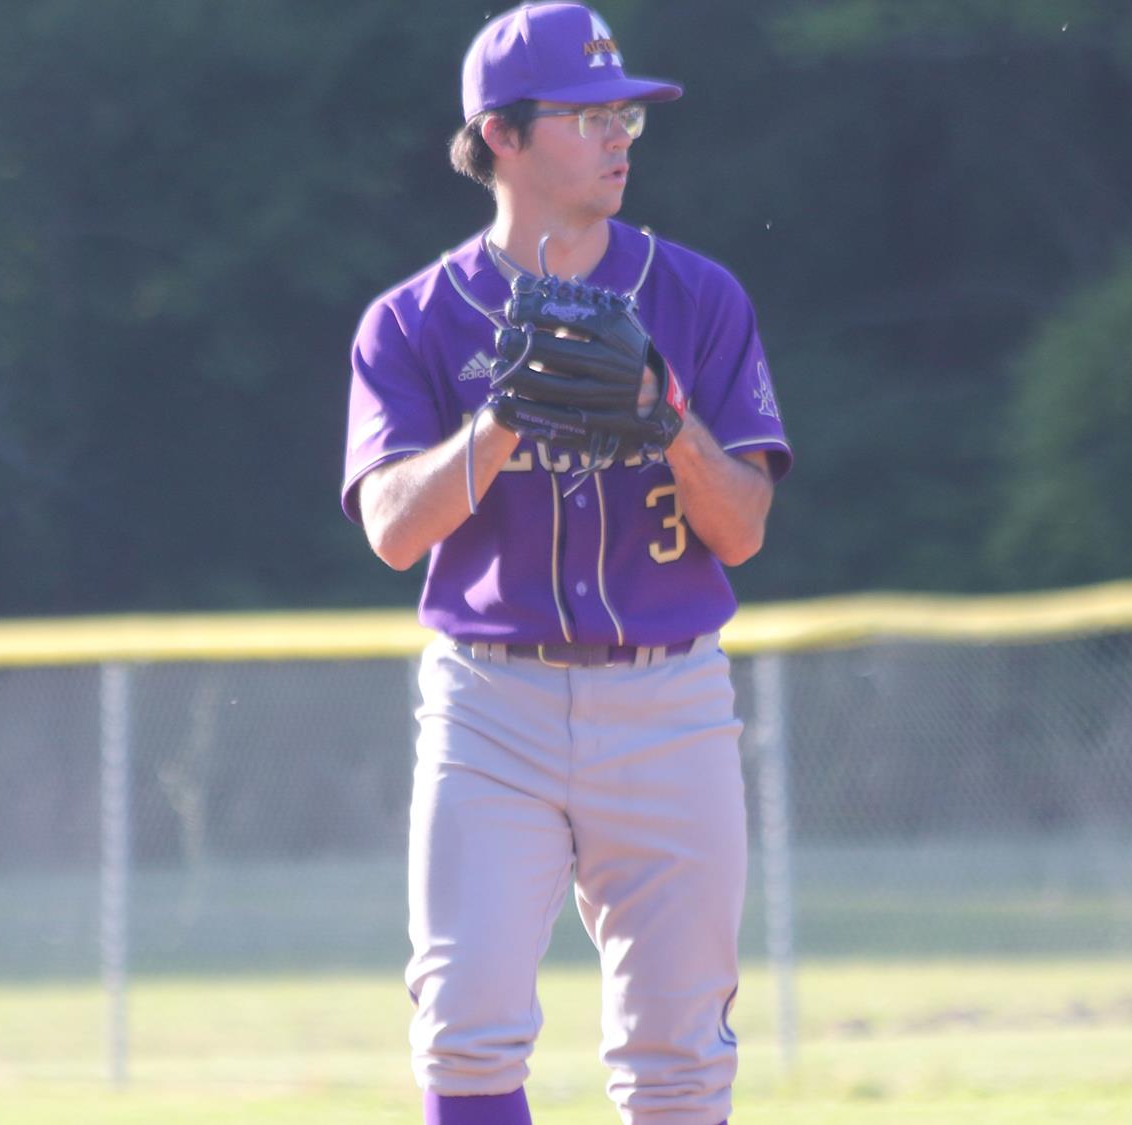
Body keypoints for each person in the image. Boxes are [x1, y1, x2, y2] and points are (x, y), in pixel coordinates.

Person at [340, 5, 791, 1123]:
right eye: (588, 117)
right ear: (501, 135)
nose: (619, 137)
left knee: (679, 1057)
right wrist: (501, 416)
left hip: (669, 697)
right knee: (466, 1029)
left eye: (625, 116)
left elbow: (743, 527)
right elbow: (392, 530)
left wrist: (667, 421)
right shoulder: (413, 322)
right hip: (492, 705)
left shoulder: (698, 298)